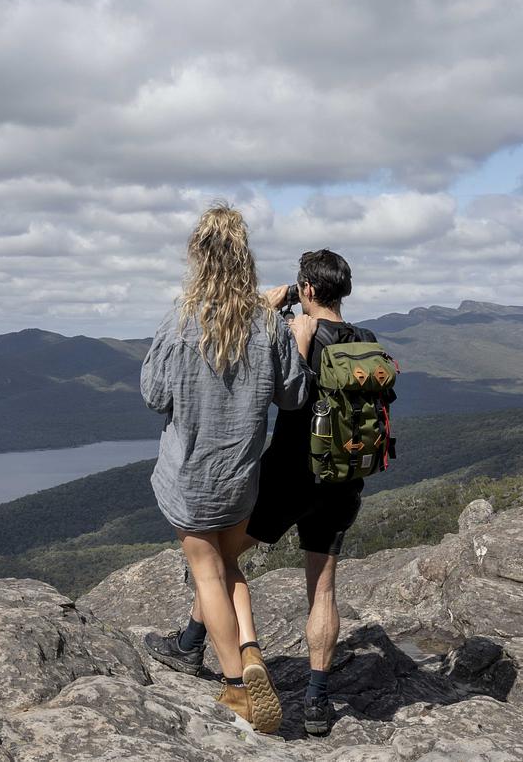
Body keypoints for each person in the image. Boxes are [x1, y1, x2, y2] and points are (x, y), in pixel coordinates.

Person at [144, 248, 371, 738]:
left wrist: (279, 313)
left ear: (306, 289)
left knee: (217, 561)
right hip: (344, 481)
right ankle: (316, 702)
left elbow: (285, 391)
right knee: (323, 589)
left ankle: (200, 645)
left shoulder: (292, 332)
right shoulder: (364, 342)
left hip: (288, 480)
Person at [140, 202, 316, 734]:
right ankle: (252, 652)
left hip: (190, 477)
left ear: (199, 256)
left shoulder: (182, 318)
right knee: (231, 567)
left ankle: (238, 688)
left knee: (207, 574)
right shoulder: (268, 322)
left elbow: (153, 395)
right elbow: (293, 398)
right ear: (245, 258)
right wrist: (298, 345)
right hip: (242, 477)